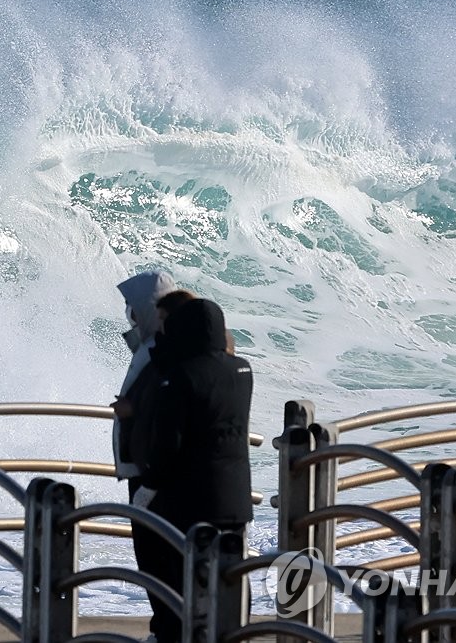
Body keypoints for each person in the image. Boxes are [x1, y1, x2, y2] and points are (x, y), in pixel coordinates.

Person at [134, 298, 254, 643]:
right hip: (234, 496)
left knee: (185, 584)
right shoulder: (242, 369)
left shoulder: (182, 375)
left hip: (191, 500)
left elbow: (168, 444)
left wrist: (149, 487)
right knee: (228, 582)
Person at [111, 270, 177, 482]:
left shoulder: (161, 349)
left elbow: (170, 403)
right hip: (142, 461)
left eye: (134, 310)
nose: (132, 316)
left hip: (152, 469)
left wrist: (134, 407)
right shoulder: (151, 345)